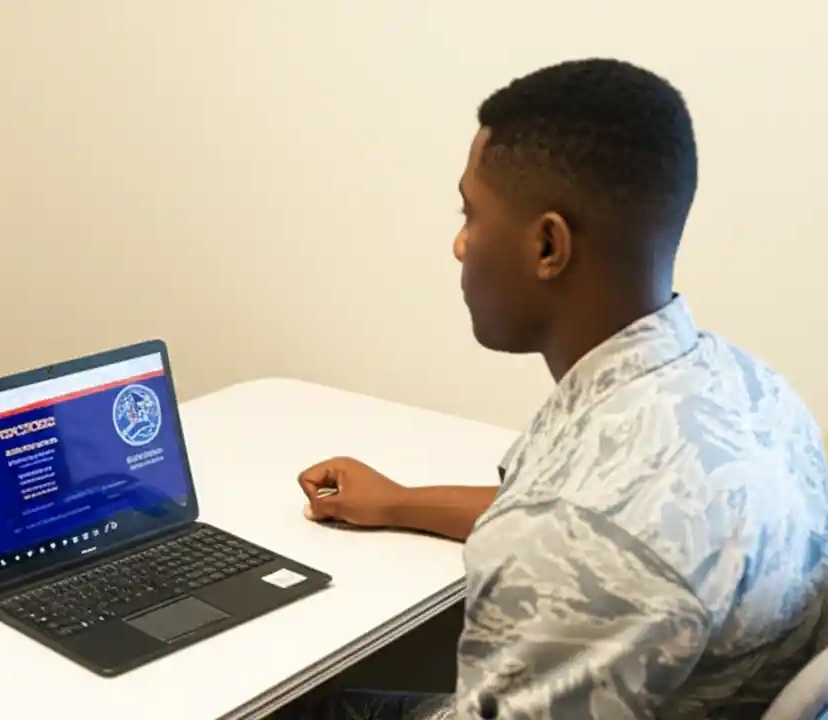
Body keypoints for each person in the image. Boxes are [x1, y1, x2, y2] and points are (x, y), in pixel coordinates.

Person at [283, 58, 828, 718]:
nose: (459, 245)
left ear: (548, 245)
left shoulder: (569, 537)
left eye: (471, 214)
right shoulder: (752, 392)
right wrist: (398, 503)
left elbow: (580, 533)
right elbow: (594, 515)